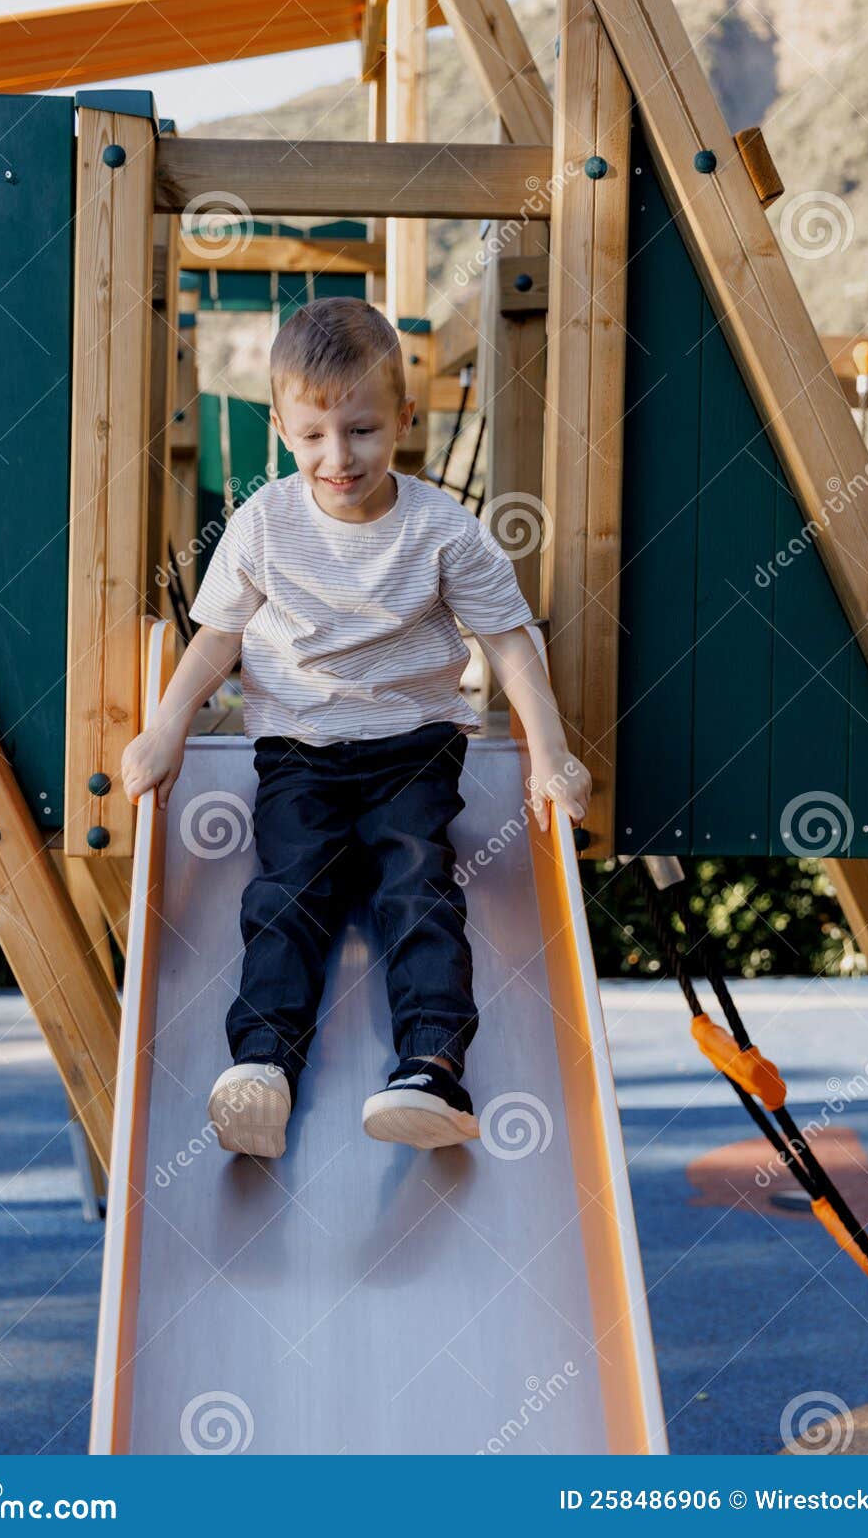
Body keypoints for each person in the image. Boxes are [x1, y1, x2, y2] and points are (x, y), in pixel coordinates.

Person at [121, 297, 590, 1159]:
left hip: (412, 750)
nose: (338, 458)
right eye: (312, 437)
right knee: (286, 893)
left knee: (417, 887)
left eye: (364, 431)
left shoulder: (442, 531)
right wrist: (165, 729)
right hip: (297, 752)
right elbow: (215, 638)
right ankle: (261, 1067)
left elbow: (509, 644)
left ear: (404, 421)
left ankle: (430, 1068)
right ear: (282, 429)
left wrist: (550, 753)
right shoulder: (263, 524)